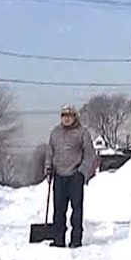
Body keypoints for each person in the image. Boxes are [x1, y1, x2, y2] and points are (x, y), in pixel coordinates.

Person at [43, 105, 97, 248]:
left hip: (75, 176)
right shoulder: (55, 133)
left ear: (75, 117)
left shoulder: (82, 133)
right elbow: (49, 152)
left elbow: (89, 155)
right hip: (59, 176)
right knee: (59, 210)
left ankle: (76, 239)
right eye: (63, 115)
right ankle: (58, 239)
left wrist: (82, 172)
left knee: (76, 210)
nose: (66, 118)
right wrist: (48, 168)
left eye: (69, 115)